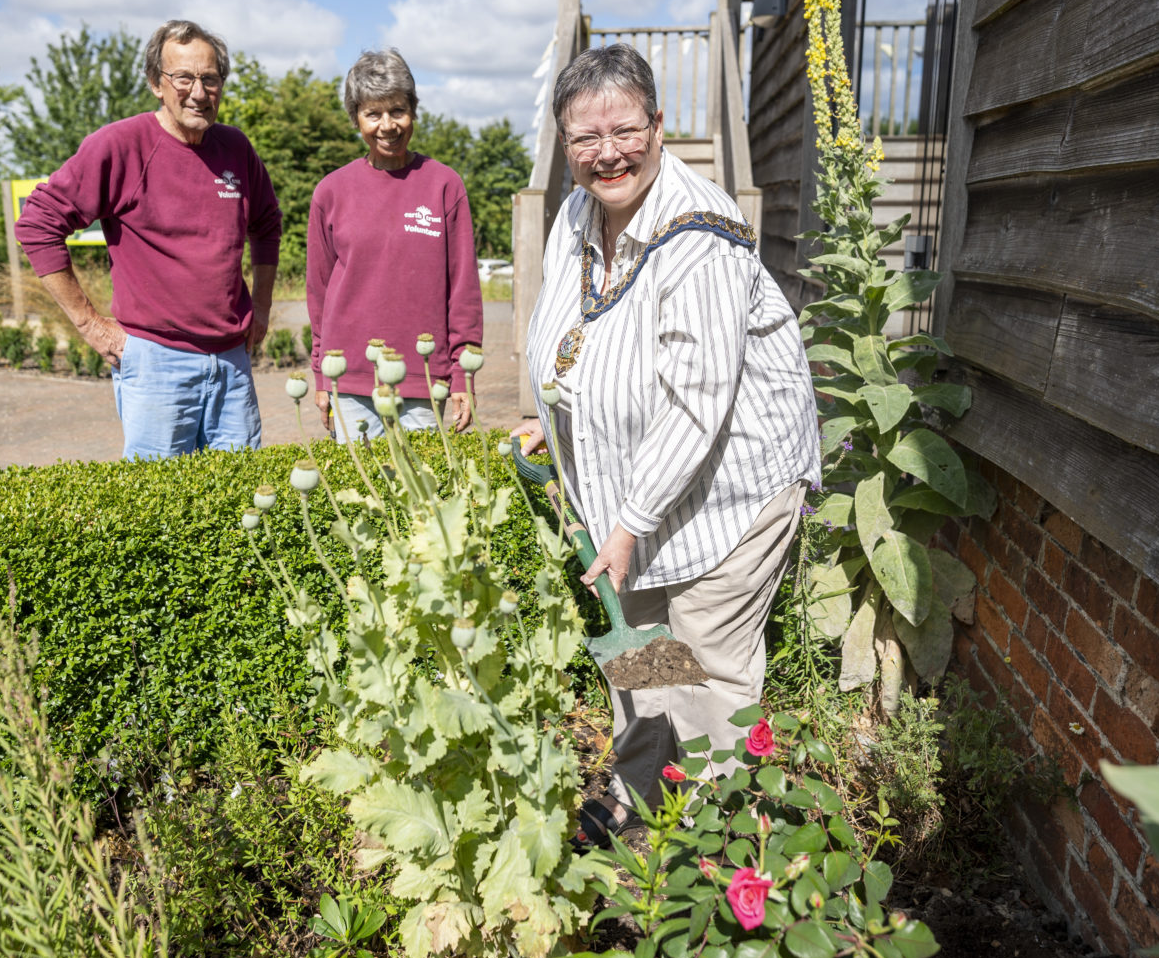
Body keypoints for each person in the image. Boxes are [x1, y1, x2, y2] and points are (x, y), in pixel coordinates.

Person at [512, 44, 821, 849]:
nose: (607, 152)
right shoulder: (578, 213)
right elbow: (570, 327)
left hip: (728, 490)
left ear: (657, 126)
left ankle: (723, 846)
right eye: (586, 137)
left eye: (624, 130)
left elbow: (695, 404)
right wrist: (551, 409)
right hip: (639, 499)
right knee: (645, 648)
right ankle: (640, 797)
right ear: (565, 143)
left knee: (706, 661)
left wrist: (627, 525)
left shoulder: (700, 237)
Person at [16, 19, 282, 460]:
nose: (199, 92)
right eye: (183, 78)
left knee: (243, 490)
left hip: (232, 363)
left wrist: (263, 306)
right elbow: (38, 224)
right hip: (157, 363)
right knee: (162, 497)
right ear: (156, 84)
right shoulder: (121, 145)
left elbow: (267, 224)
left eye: (210, 78)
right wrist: (89, 324)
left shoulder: (236, 148)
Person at [306, 49, 483, 441]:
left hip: (424, 381)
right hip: (349, 382)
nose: (387, 126)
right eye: (373, 114)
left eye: (397, 111)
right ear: (356, 118)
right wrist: (321, 373)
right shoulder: (331, 191)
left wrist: (462, 376)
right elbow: (318, 294)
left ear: (413, 110)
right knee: (358, 482)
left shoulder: (444, 185)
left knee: (424, 483)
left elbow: (464, 290)